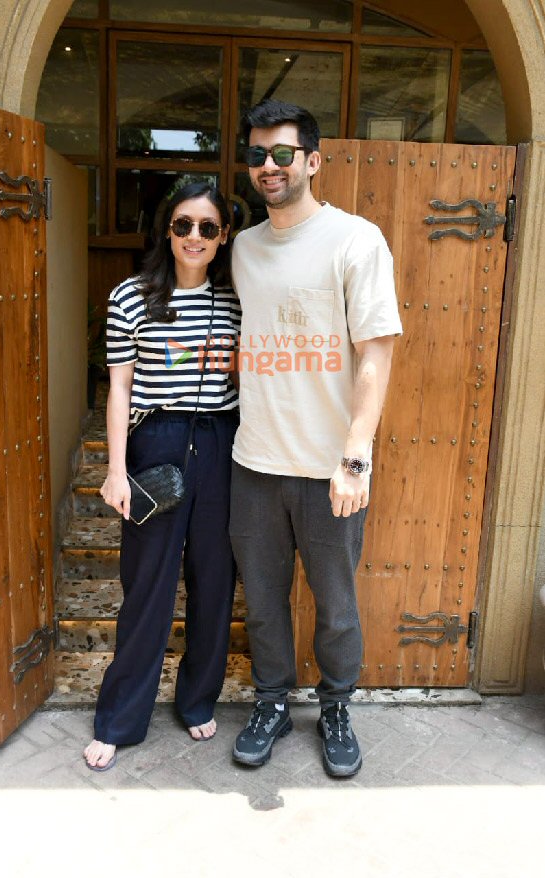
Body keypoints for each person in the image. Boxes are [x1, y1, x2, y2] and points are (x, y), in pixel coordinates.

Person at [229, 99, 402, 778]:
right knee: (265, 603)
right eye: (255, 155)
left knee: (334, 607)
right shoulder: (242, 248)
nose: (267, 167)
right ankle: (271, 702)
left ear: (311, 161)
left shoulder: (356, 241)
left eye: (281, 154)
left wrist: (354, 457)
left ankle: (335, 707)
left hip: (331, 468)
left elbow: (376, 355)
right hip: (254, 462)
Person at [84, 182, 240, 770]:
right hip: (156, 441)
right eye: (183, 225)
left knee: (213, 580)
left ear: (223, 235)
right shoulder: (130, 296)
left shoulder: (236, 299)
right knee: (146, 586)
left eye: (206, 227)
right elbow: (119, 387)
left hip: (222, 443)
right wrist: (116, 468)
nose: (193, 237)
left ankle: (198, 699)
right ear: (166, 230)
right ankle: (120, 718)